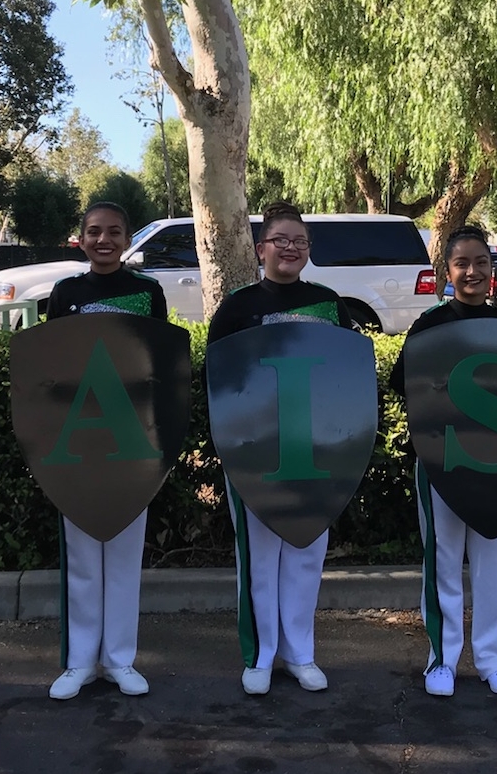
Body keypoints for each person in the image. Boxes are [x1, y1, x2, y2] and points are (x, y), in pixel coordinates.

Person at [207, 203, 353, 696]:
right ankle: (261, 655)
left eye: (299, 241)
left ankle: (300, 653)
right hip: (256, 449)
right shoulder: (237, 305)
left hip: (314, 448)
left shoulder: (331, 304)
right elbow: (219, 379)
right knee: (260, 555)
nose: (290, 248)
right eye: (280, 240)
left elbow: (346, 374)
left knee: (307, 551)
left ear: (308, 251)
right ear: (260, 248)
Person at [44, 202, 169, 701]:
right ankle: (78, 663)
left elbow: (159, 364)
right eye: (94, 231)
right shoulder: (66, 293)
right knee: (80, 557)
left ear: (126, 240)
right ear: (81, 238)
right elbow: (50, 366)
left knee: (122, 555)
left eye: (114, 232)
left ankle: (119, 660)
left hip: (132, 441)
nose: (104, 240)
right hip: (77, 444)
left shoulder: (148, 292)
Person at [388, 225, 497, 697]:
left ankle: (491, 659)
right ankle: (441, 660)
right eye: (462, 263)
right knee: (442, 562)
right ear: (448, 271)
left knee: (492, 564)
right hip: (442, 460)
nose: (472, 272)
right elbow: (403, 385)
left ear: (491, 269)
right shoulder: (428, 328)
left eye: (481, 262)